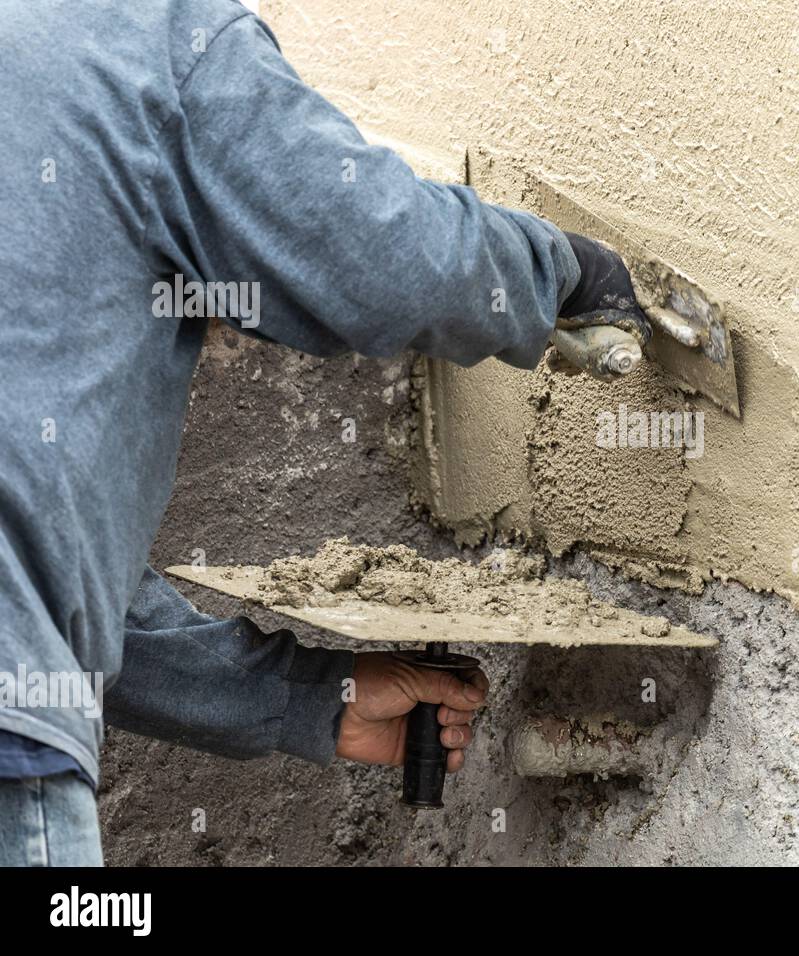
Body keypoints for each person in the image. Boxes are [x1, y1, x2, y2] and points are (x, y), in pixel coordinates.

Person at [0, 0, 665, 865]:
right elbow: (375, 257)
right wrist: (562, 274)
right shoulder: (135, 32)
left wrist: (313, 700)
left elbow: (36, 582)